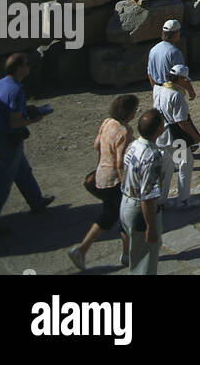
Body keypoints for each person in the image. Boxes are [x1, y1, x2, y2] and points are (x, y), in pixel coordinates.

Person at [0, 52, 54, 238]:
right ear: (20, 68)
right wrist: (36, 118)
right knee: (2, 183)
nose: (29, 66)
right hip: (10, 139)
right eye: (26, 64)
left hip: (1, 137)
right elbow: (15, 122)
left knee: (23, 170)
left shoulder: (1, 84)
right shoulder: (16, 90)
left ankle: (37, 202)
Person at [69, 94, 137, 271]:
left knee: (116, 215)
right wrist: (125, 185)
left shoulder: (107, 123)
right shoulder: (125, 131)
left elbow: (96, 145)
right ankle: (83, 249)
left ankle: (126, 254)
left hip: (101, 174)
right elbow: (120, 162)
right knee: (116, 216)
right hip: (115, 179)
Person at [120, 108, 166, 275]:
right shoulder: (152, 155)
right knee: (146, 261)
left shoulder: (133, 145)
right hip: (140, 209)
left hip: (126, 200)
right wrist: (151, 226)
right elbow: (147, 195)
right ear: (158, 130)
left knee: (137, 253)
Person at [156, 64, 200, 210]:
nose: (187, 82)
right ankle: (183, 199)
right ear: (180, 79)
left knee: (166, 169)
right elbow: (182, 122)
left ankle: (160, 201)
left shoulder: (160, 90)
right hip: (176, 138)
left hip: (161, 136)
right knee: (185, 164)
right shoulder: (176, 96)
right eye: (186, 80)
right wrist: (195, 136)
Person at [147, 20, 195, 110]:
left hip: (157, 90)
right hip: (171, 91)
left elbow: (149, 73)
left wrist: (156, 89)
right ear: (176, 34)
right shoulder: (174, 52)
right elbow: (181, 75)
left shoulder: (153, 49)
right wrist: (191, 91)